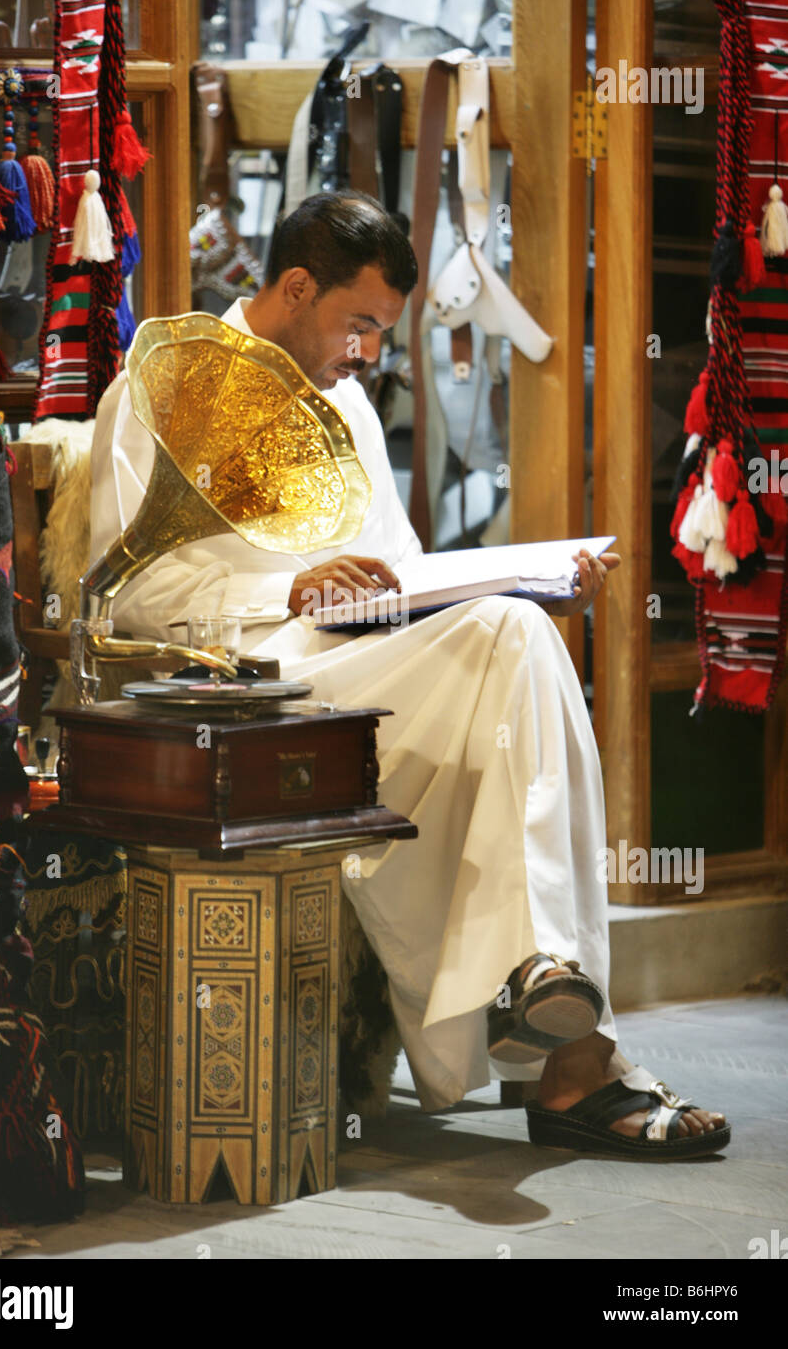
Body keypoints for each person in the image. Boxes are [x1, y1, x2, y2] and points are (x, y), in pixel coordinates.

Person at [89, 191, 729, 1157]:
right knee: (507, 652)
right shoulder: (157, 386)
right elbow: (123, 599)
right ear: (297, 287)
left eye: (382, 332)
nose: (367, 354)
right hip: (240, 679)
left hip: (356, 663)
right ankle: (572, 1052)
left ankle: (547, 979)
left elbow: (400, 569)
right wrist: (294, 591)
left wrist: (528, 577)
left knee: (515, 631)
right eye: (359, 324)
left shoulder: (343, 404)